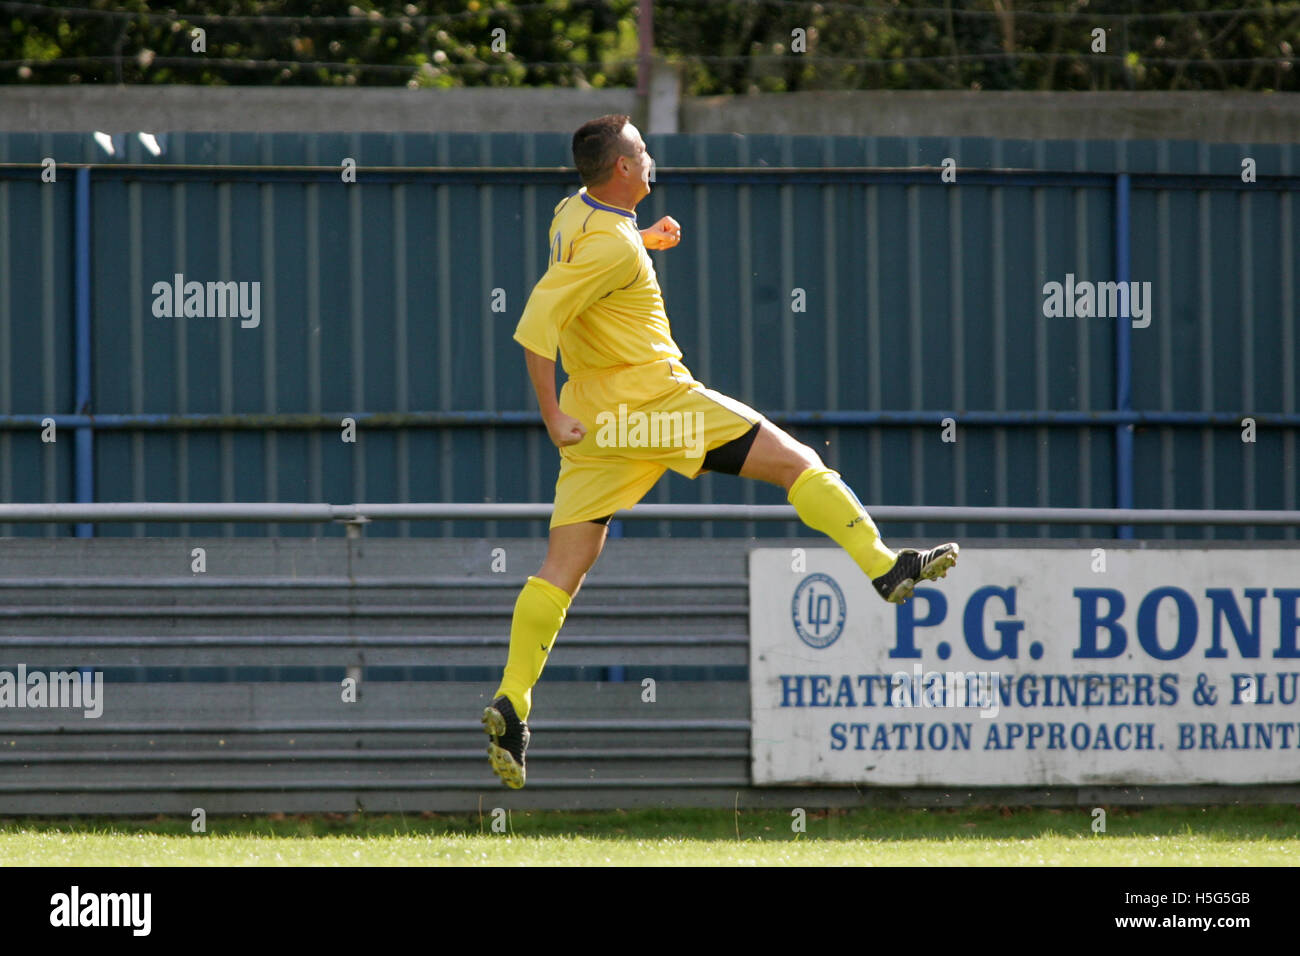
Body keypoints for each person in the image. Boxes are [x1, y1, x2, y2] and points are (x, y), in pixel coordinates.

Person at [482, 114, 958, 789]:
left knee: (568, 560)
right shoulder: (611, 248)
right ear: (621, 167)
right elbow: (536, 327)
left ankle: (514, 700)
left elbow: (590, 259)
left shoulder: (573, 216)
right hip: (657, 407)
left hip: (601, 424)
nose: (650, 157)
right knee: (795, 464)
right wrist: (548, 413)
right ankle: (883, 566)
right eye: (641, 150)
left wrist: (641, 243)